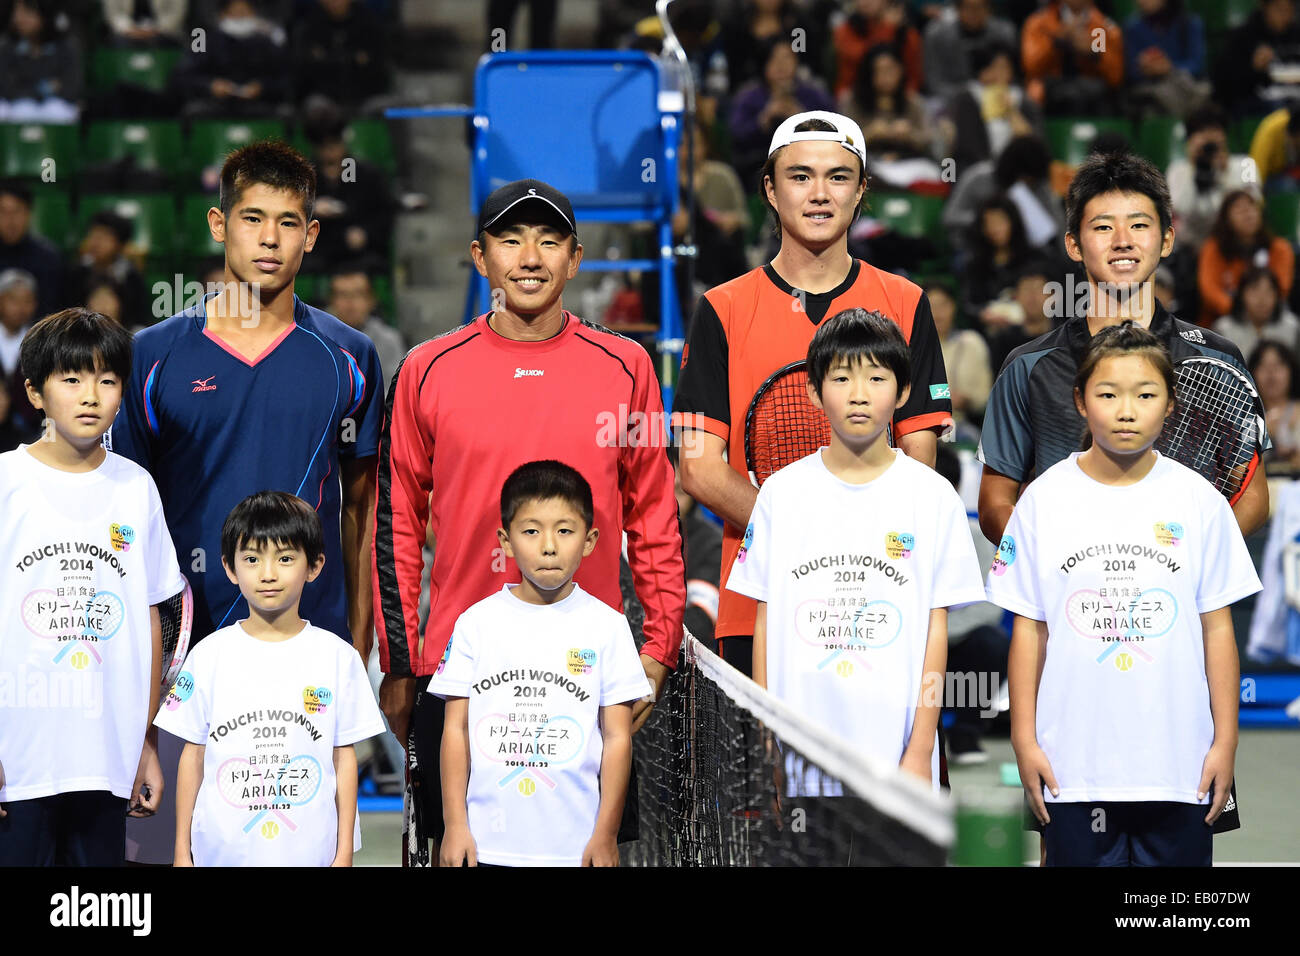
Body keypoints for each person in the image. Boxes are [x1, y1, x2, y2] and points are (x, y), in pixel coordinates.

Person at [373, 178, 684, 862]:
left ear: (576, 259)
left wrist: (659, 645)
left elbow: (654, 512)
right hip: (456, 677)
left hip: (586, 677)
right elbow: (395, 520)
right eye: (510, 241)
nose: (530, 258)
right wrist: (400, 662)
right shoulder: (426, 369)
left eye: (549, 241)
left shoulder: (627, 367)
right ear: (480, 258)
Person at [110, 140, 383, 865]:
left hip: (307, 657)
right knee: (172, 854)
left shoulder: (352, 357)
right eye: (252, 218)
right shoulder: (150, 355)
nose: (269, 238)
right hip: (180, 665)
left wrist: (356, 642)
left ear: (311, 235)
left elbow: (362, 510)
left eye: (289, 222)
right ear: (217, 224)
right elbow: (126, 528)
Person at [674, 111, 952, 678]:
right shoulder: (722, 309)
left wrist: (851, 542)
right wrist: (805, 534)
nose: (820, 193)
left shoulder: (906, 301)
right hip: (755, 604)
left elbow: (919, 455)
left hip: (882, 597)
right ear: (770, 192)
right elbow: (700, 469)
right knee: (768, 770)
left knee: (889, 766)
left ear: (861, 191)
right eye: (800, 177)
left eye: (839, 177)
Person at [987, 323, 1260, 866]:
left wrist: (1224, 742)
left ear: (1171, 406)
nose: (1127, 410)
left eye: (1146, 394)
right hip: (1071, 769)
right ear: (1080, 402)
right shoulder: (1042, 500)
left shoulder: (1200, 502)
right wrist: (1025, 741)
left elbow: (1218, 629)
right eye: (1108, 394)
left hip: (1181, 767)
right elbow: (1029, 630)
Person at [726, 308, 984, 789]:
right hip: (800, 762)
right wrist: (767, 739)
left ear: (903, 392)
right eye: (842, 377)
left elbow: (936, 633)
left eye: (877, 377)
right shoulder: (781, 494)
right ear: (814, 391)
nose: (859, 394)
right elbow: (766, 622)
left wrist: (922, 747)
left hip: (898, 763)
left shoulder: (931, 498)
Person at [978, 150, 1271, 550]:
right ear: (1074, 245)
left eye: (1139, 225)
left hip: (1182, 600)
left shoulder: (1219, 361)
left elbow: (1252, 494)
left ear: (1167, 239)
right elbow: (995, 500)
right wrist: (1056, 554)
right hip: (1068, 597)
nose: (1122, 242)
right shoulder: (1027, 366)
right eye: (1102, 227)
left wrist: (1194, 558)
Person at [0, 308, 184, 865]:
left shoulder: (136, 486)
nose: (91, 395)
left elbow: (152, 616)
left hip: (109, 757)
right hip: (19, 760)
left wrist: (146, 742)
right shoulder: (7, 482)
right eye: (72, 378)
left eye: (107, 380)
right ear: (35, 392)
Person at [434, 461, 651, 867]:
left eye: (565, 531)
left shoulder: (608, 626)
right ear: (505, 540)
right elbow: (455, 729)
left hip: (575, 849)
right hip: (486, 846)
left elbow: (618, 739)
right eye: (531, 531)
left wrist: (605, 834)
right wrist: (455, 825)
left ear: (589, 540)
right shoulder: (475, 624)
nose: (548, 545)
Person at [155, 491, 384, 866]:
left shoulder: (338, 657)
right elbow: (192, 757)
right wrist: (182, 851)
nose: (268, 574)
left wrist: (343, 855)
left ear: (314, 566)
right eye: (251, 559)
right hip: (221, 854)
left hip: (311, 854)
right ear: (230, 568)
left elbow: (344, 759)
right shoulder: (209, 656)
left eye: (285, 558)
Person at [729, 35, 836, 188]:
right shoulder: (748, 97)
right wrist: (763, 120)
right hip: (760, 165)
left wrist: (802, 118)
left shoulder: (814, 94)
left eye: (786, 58)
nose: (781, 65)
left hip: (812, 162)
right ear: (764, 64)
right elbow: (737, 136)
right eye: (774, 59)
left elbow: (834, 133)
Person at [1166, 105, 1258, 251]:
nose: (1209, 136)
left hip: (1234, 243)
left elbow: (1252, 204)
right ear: (1190, 139)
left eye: (1215, 130)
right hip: (1192, 245)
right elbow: (1183, 209)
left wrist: (1224, 172)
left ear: (1225, 135)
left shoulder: (1246, 164)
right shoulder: (1178, 170)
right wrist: (1194, 168)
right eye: (1201, 131)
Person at [1196, 189, 1294, 325]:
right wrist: (1239, 312)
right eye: (1240, 210)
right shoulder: (1213, 249)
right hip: (1225, 320)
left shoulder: (1280, 249)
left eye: (1252, 208)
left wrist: (1259, 310)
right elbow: (1209, 291)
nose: (1248, 214)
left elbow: (1282, 287)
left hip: (1269, 317)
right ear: (1226, 218)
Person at [1020, 0, 1124, 114]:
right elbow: (1031, 67)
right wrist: (1057, 41)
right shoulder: (1040, 23)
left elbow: (1115, 77)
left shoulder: (1101, 27)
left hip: (1090, 85)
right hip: (1050, 83)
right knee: (1034, 92)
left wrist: (1094, 53)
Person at [1122, 0, 1210, 119]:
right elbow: (1131, 72)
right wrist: (1147, 68)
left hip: (1183, 85)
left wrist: (1169, 67)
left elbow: (1197, 64)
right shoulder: (1133, 28)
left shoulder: (1189, 23)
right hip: (1150, 88)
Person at [327, 266, 405, 392]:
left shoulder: (388, 340)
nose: (350, 302)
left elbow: (393, 391)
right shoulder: (318, 337)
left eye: (358, 294)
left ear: (371, 300)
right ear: (332, 301)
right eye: (342, 295)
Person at [927, 280, 990, 438]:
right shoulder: (910, 347)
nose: (938, 312)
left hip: (960, 424)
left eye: (943, 305)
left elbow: (984, 395)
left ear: (953, 307)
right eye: (931, 306)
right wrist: (945, 397)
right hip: (921, 425)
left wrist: (966, 399)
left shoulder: (972, 342)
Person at [1215, 0, 1300, 116]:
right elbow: (1224, 86)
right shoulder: (1243, 36)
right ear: (1264, 8)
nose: (1285, 15)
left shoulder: (1295, 34)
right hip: (1251, 99)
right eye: (1279, 9)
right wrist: (1254, 68)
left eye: (1290, 10)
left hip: (1292, 93)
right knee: (1281, 109)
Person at [922, 0, 1018, 99]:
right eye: (968, 8)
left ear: (989, 9)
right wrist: (969, 96)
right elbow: (935, 82)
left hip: (997, 96)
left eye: (979, 7)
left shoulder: (1004, 34)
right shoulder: (937, 35)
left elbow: (1013, 78)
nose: (974, 13)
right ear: (957, 9)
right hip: (950, 98)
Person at [0, 180, 65, 321]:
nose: (10, 220)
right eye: (3, 211)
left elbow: (53, 314)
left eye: (16, 211)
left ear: (29, 213)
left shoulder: (49, 258)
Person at [1213, 265, 1300, 356]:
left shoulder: (1293, 327)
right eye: (1254, 290)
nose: (1262, 299)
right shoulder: (1223, 329)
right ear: (1241, 295)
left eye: (1269, 291)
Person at [1249, 339, 1300, 469]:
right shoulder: (1243, 416)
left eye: (1278, 365)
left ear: (1291, 371)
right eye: (1263, 366)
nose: (1271, 373)